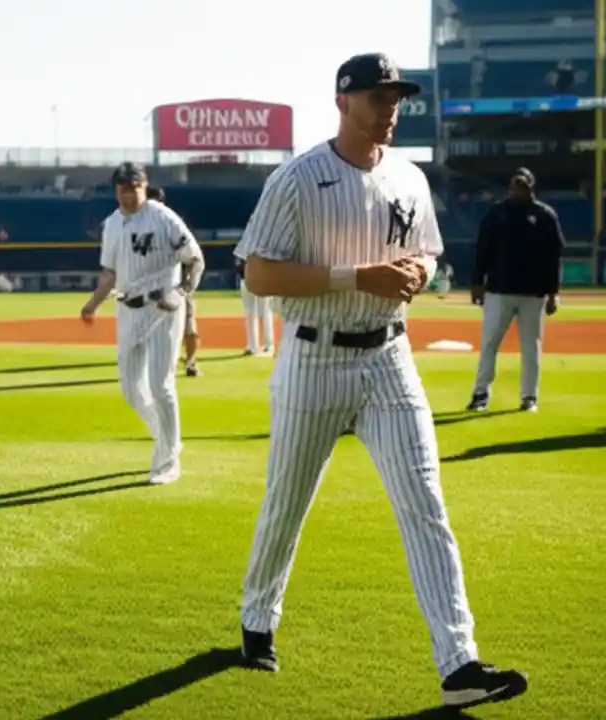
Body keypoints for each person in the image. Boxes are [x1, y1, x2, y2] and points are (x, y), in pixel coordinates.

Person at [232, 52, 527, 711]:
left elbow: (425, 249)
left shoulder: (409, 176)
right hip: (314, 358)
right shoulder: (299, 178)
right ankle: (257, 617)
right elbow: (258, 274)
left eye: (396, 96)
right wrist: (355, 276)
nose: (391, 107)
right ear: (343, 101)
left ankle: (460, 663)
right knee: (286, 505)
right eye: (378, 95)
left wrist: (419, 272)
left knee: (425, 505)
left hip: (390, 358)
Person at [80, 163, 205, 484]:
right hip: (128, 309)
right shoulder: (111, 225)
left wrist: (182, 291)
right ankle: (167, 438)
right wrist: (93, 303)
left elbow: (195, 258)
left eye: (135, 185)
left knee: (161, 385)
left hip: (163, 306)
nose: (129, 191)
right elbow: (109, 272)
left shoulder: (161, 216)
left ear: (145, 186)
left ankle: (168, 461)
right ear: (115, 190)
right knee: (131, 389)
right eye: (123, 186)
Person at [465, 167, 564, 413]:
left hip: (533, 294)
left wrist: (553, 293)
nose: (518, 189)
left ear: (532, 187)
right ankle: (481, 394)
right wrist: (477, 283)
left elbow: (554, 257)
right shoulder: (496, 214)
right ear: (509, 187)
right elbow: (482, 251)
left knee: (531, 346)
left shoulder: (544, 215)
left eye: (523, 185)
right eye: (514, 185)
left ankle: (529, 397)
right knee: (489, 343)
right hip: (499, 290)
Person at [148, 186, 204, 377]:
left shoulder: (172, 224)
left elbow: (193, 257)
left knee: (188, 326)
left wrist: (186, 286)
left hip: (176, 285)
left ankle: (190, 362)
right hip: (150, 287)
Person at [238, 257, 275, 356]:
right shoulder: (245, 244)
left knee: (266, 312)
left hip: (264, 278)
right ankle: (252, 346)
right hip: (245, 279)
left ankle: (269, 346)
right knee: (249, 313)